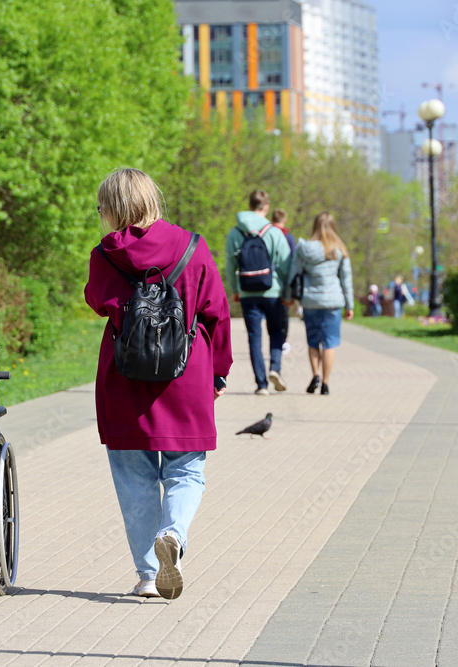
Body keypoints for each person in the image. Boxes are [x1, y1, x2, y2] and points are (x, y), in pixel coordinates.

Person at [84, 168, 232, 600]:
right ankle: (174, 535)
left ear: (112, 209)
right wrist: (219, 370)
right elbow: (216, 312)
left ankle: (149, 576)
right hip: (185, 375)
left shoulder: (104, 254)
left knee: (135, 480)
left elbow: (98, 301)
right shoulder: (193, 247)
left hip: (126, 379)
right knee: (187, 470)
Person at [224, 190, 292, 395]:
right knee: (276, 332)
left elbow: (229, 265)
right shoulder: (273, 232)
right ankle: (275, 368)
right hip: (273, 292)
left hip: (247, 292)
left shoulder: (236, 232)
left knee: (254, 337)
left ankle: (261, 385)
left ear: (250, 204)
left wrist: (235, 290)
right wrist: (287, 293)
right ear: (266, 207)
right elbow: (287, 265)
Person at [286, 212, 353, 396]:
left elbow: (294, 273)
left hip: (311, 301)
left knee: (313, 341)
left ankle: (315, 373)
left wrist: (288, 296)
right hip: (332, 302)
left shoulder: (304, 248)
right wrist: (350, 305)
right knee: (330, 343)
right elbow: (346, 279)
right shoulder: (339, 249)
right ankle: (325, 383)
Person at [270, 208, 297, 355]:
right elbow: (293, 259)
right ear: (285, 220)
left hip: (268, 281)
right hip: (284, 281)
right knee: (284, 312)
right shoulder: (288, 237)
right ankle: (283, 341)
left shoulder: (266, 234)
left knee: (271, 313)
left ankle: (274, 341)